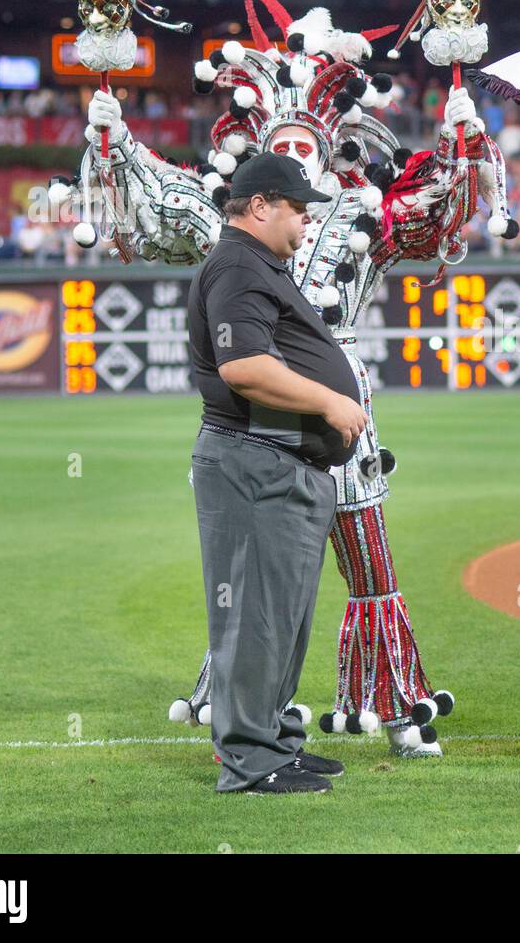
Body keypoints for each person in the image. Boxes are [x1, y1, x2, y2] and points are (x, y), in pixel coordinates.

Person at [78, 0, 506, 754]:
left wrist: (463, 137)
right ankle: (253, 715)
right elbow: (148, 205)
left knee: (368, 559)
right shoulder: (229, 219)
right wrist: (112, 139)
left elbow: (445, 209)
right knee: (258, 567)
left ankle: (392, 699)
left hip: (342, 424)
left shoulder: (361, 211)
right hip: (262, 422)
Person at [188, 151, 368, 794]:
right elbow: (243, 367)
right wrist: (329, 400)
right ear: (259, 205)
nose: (305, 223)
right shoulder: (238, 263)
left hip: (280, 462)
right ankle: (249, 760)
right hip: (255, 459)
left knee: (281, 618)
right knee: (256, 617)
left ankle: (273, 744)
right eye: (296, 209)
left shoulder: (257, 262)